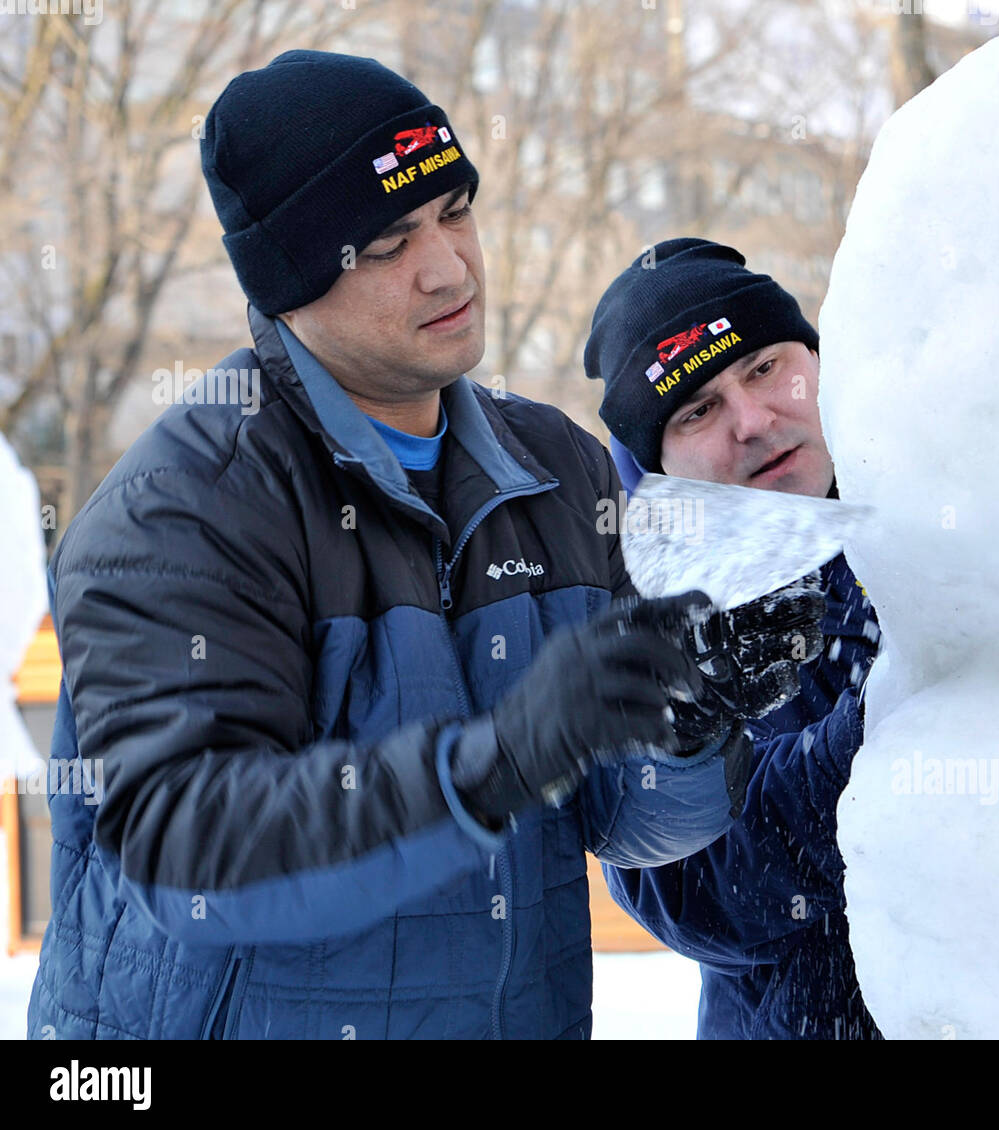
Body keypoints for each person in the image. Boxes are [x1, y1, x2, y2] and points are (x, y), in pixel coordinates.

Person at [26, 55, 823, 1041]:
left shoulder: (558, 469)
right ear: (292, 277)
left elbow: (634, 824)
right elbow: (188, 852)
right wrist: (497, 760)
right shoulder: (184, 507)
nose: (448, 265)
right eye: (389, 242)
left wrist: (687, 721)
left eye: (454, 212)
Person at [584, 238, 884, 1040]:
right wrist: (875, 744)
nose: (754, 420)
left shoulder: (952, 502)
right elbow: (690, 889)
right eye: (698, 410)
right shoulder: (651, 626)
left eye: (763, 368)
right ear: (662, 467)